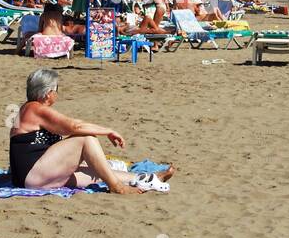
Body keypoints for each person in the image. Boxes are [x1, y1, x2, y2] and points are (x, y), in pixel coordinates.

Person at [9, 69, 175, 193]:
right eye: (56, 89)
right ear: (47, 93)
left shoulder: (34, 109)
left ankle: (145, 179)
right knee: (86, 138)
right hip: (32, 175)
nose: (57, 93)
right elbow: (74, 127)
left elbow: (75, 124)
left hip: (36, 176)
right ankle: (117, 188)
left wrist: (104, 131)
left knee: (97, 172)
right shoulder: (33, 109)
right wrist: (108, 131)